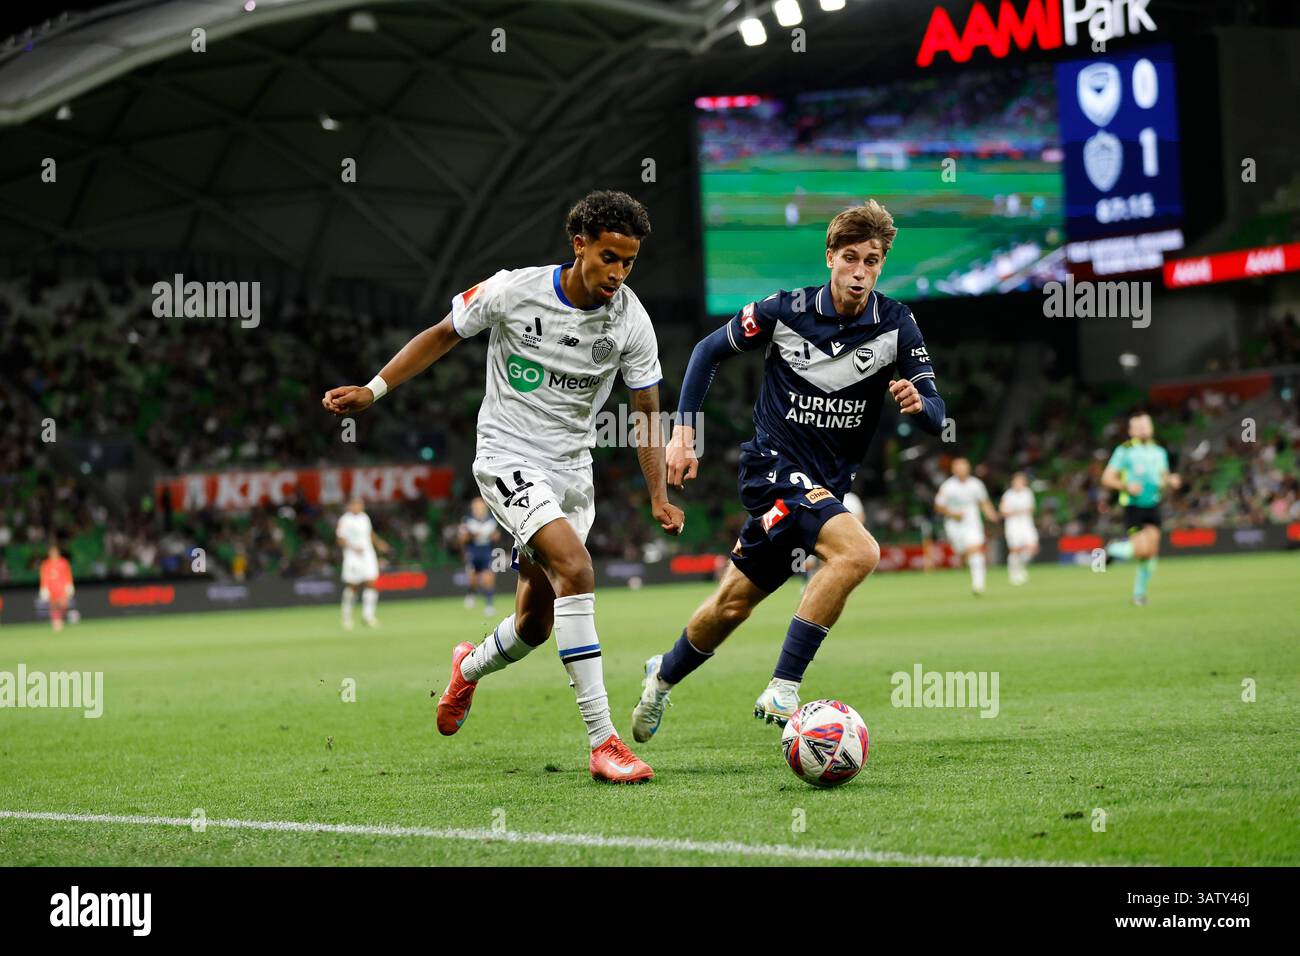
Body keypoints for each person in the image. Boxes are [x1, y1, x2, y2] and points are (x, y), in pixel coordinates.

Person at [322, 190, 684, 783]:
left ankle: (468, 668)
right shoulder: (513, 290)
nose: (618, 273)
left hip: (572, 471)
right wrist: (373, 390)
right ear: (579, 245)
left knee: (536, 623)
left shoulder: (630, 320)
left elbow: (645, 410)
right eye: (609, 257)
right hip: (507, 457)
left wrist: (657, 496)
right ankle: (604, 743)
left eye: (629, 262)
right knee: (579, 569)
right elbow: (442, 334)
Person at [631, 200, 946, 741]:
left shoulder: (897, 323)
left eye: (872, 261)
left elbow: (939, 416)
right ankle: (784, 686)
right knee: (859, 552)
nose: (860, 271)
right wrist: (683, 432)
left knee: (731, 606)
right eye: (851, 257)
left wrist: (919, 405)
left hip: (820, 489)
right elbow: (708, 351)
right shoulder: (783, 310)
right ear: (830, 256)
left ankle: (660, 677)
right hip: (772, 470)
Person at [1102, 413, 1180, 605]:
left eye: (1146, 424)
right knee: (1142, 549)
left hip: (1153, 505)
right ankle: (1112, 549)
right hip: (1133, 506)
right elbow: (1107, 478)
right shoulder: (1124, 451)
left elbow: (1163, 481)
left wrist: (1170, 481)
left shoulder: (1159, 452)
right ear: (1131, 431)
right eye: (1139, 426)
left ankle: (1139, 595)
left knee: (1151, 552)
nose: (1144, 428)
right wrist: (1126, 486)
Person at [935, 457, 999, 595]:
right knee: (963, 553)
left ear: (968, 468)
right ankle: (966, 563)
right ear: (953, 470)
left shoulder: (976, 484)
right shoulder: (948, 486)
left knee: (974, 549)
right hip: (954, 524)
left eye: (963, 467)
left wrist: (991, 514)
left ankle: (978, 584)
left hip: (972, 522)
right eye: (958, 467)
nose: (961, 470)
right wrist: (953, 513)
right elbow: (938, 506)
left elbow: (984, 502)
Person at [336, 497, 390, 629]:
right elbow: (340, 539)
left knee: (371, 583)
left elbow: (369, 533)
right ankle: (346, 617)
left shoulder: (364, 517)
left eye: (360, 505)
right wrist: (353, 547)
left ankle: (368, 616)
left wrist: (379, 543)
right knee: (352, 586)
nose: (358, 507)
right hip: (353, 557)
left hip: (367, 555)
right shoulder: (345, 520)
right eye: (355, 504)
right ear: (349, 506)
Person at [459, 497, 501, 616]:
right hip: (473, 551)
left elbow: (497, 536)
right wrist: (472, 535)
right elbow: (462, 539)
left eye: (481, 507)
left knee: (488, 578)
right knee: (472, 578)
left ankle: (489, 605)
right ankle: (471, 593)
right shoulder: (467, 520)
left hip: (486, 551)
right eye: (476, 507)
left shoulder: (491, 520)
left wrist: (493, 536)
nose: (479, 509)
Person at [999, 472, 1038, 585]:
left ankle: (1020, 567)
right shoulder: (1008, 495)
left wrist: (1019, 511)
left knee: (1032, 548)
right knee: (1015, 549)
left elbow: (1031, 508)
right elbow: (1003, 511)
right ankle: (1013, 573)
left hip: (1026, 524)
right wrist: (1015, 512)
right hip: (1013, 525)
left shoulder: (1027, 493)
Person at [39, 544, 74, 632]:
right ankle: (56, 621)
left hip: (61, 587)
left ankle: (60, 619)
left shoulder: (63, 562)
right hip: (51, 588)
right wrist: (44, 588)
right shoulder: (46, 564)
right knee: (53, 606)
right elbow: (44, 576)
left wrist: (69, 585)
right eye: (52, 552)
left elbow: (68, 574)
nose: (53, 554)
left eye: (55, 552)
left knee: (63, 604)